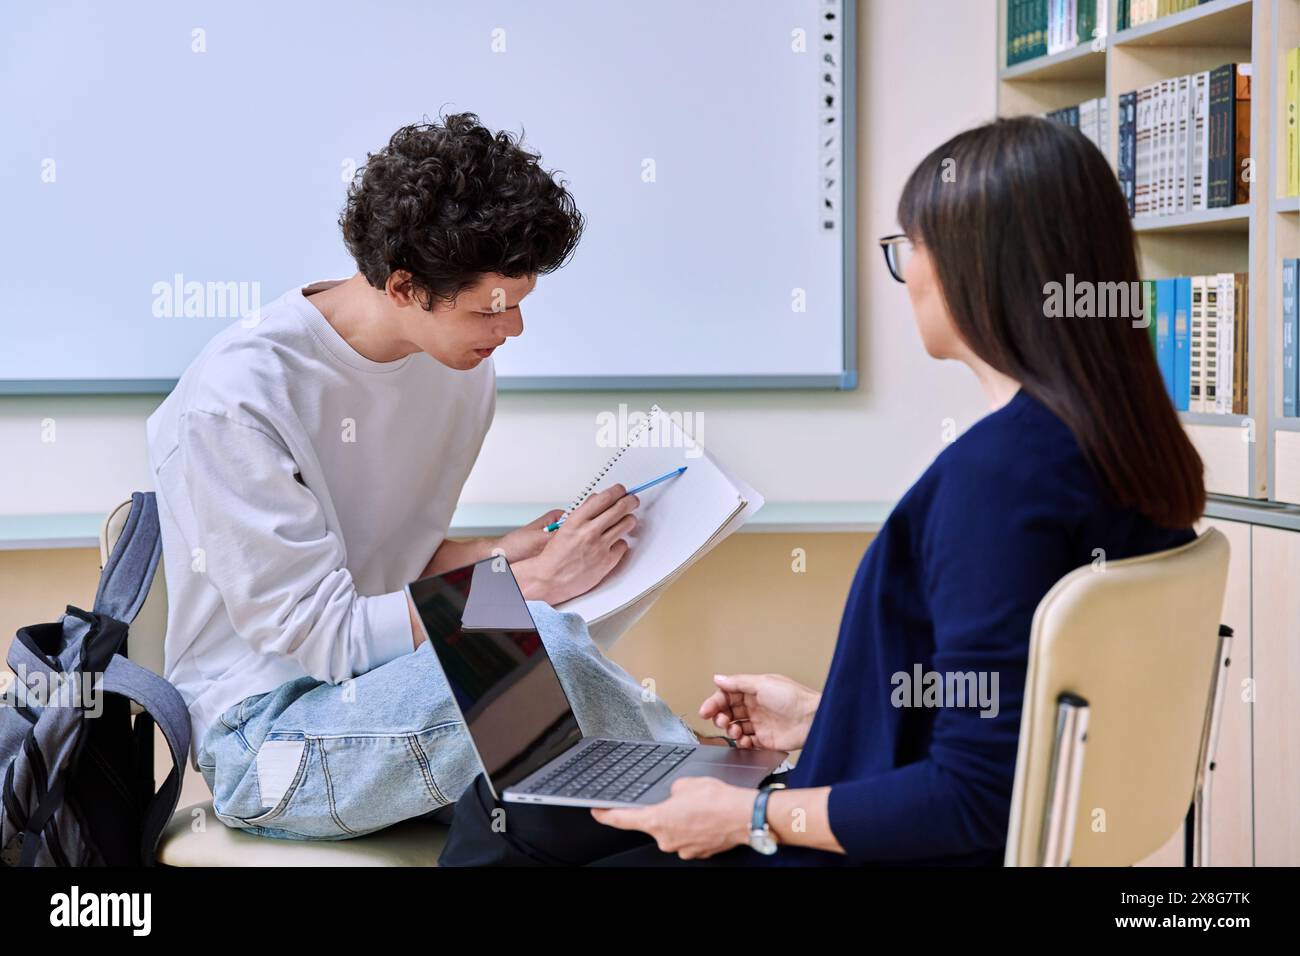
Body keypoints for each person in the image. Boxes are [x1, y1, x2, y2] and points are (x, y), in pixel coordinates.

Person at [436, 115, 1206, 866]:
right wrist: (830, 716)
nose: (910, 275)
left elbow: (978, 795)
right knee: (537, 806)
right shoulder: (1126, 455)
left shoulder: (1000, 484)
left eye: (914, 248)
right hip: (870, 813)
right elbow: (1007, 716)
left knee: (502, 815)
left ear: (978, 269)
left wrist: (751, 815)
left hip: (854, 846)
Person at [146, 114, 671, 840]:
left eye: (520, 303)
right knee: (542, 643)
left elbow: (394, 565)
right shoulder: (237, 401)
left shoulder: (461, 370)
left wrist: (507, 553)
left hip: (391, 692)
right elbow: (330, 636)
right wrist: (526, 588)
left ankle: (717, 802)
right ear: (402, 286)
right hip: (271, 736)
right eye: (494, 307)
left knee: (569, 788)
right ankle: (725, 795)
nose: (512, 330)